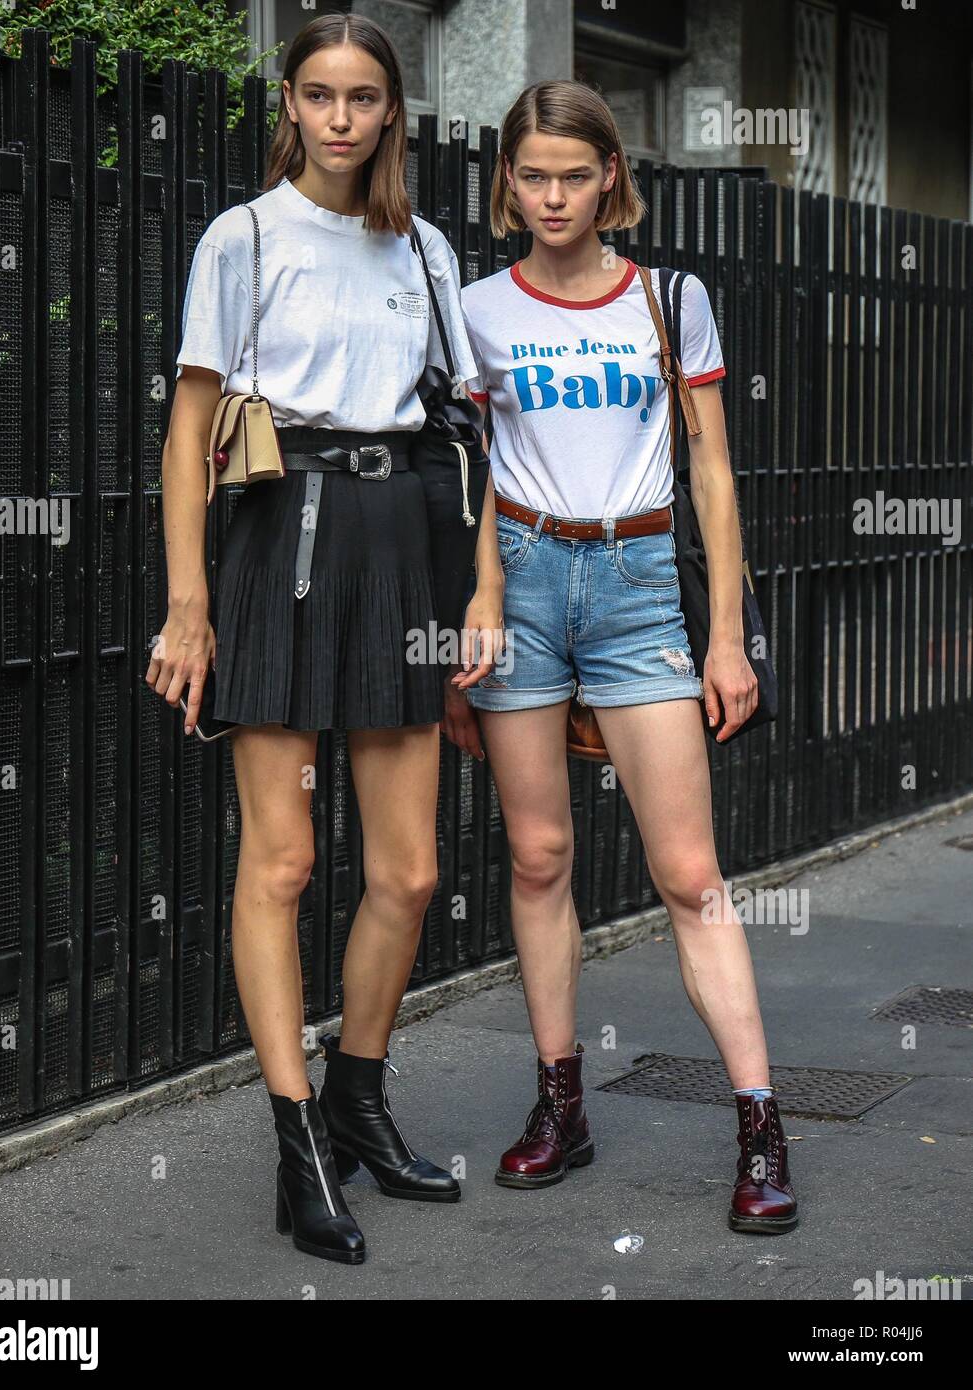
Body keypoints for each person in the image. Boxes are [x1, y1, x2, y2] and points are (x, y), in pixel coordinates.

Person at [146, 12, 503, 1265]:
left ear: (392, 111)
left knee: (409, 872)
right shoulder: (241, 237)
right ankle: (297, 1142)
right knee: (284, 864)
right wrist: (187, 603)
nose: (342, 118)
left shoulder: (427, 248)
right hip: (278, 542)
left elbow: (467, 432)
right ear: (288, 104)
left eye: (364, 97)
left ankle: (359, 1091)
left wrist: (481, 592)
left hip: (404, 542)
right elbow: (191, 427)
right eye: (319, 94)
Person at [444, 79, 798, 1234]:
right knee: (540, 855)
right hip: (524, 589)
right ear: (510, 181)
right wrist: (481, 601)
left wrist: (727, 632)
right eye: (531, 175)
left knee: (690, 873)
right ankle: (562, 1105)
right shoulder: (479, 308)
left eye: (573, 174)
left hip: (641, 586)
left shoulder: (669, 300)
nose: (552, 195)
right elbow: (473, 471)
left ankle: (759, 1121)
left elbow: (713, 474)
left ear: (612, 179)